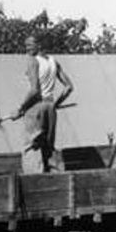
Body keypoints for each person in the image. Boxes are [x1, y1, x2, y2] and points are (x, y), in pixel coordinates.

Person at [14, 35, 74, 173]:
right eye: (26, 45)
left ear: (39, 45)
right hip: (50, 106)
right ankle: (55, 177)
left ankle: (33, 182)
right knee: (48, 147)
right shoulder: (54, 62)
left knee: (31, 147)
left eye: (30, 45)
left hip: (36, 107)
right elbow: (69, 87)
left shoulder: (33, 62)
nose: (27, 49)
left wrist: (20, 109)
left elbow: (34, 90)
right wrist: (56, 104)